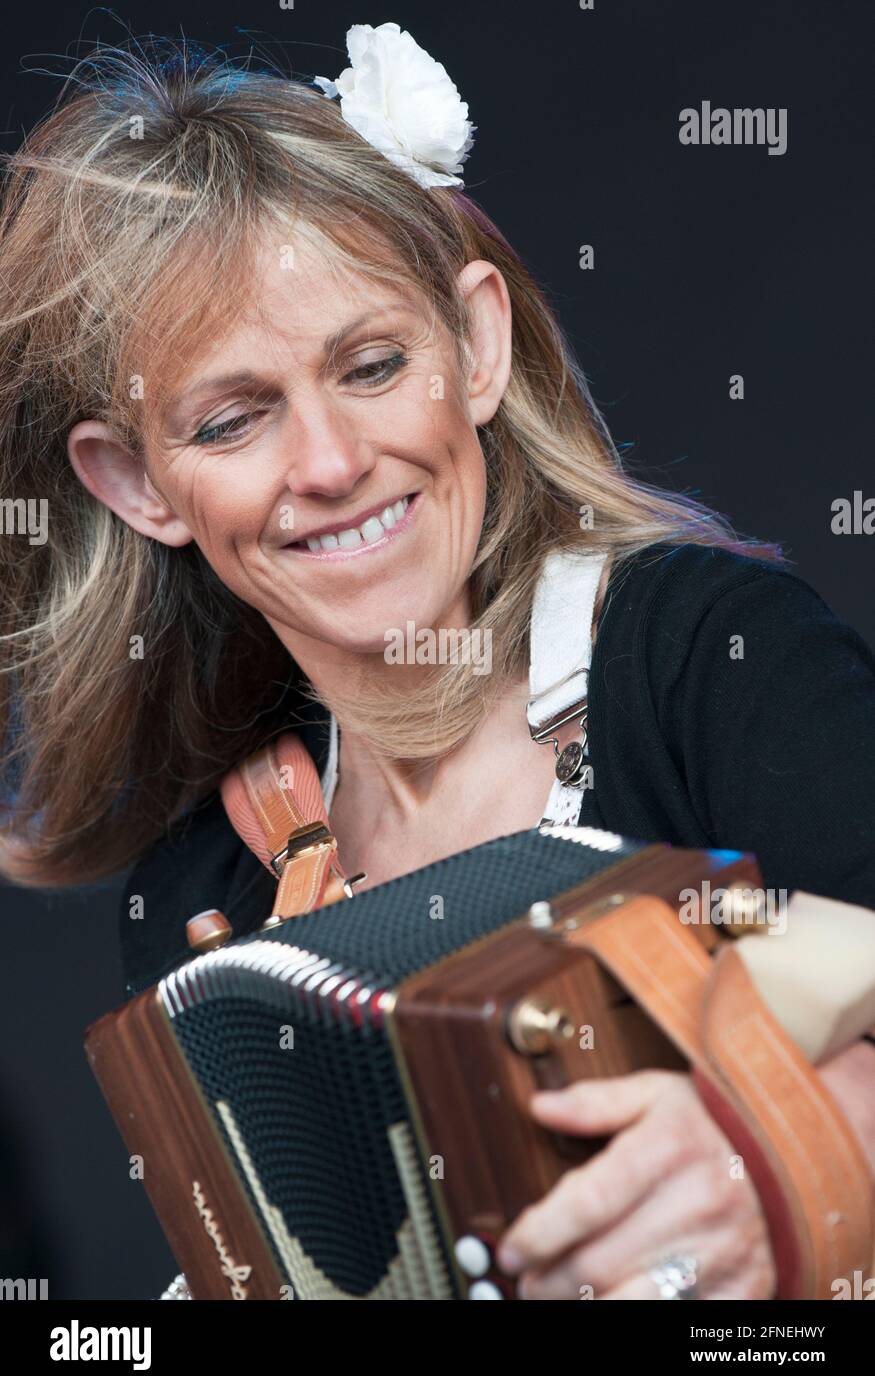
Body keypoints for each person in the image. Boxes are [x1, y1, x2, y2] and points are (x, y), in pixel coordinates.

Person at [1, 25, 873, 1301]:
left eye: (371, 365)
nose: (329, 462)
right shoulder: (212, 875)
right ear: (138, 485)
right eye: (234, 419)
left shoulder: (705, 660)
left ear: (473, 345)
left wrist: (799, 1147)